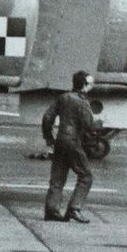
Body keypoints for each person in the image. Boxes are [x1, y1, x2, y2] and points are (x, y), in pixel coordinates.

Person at [42, 70, 97, 223]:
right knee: (86, 176)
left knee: (57, 178)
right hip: (73, 142)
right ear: (84, 85)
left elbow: (47, 117)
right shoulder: (82, 102)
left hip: (60, 141)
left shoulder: (63, 97)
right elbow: (88, 124)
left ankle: (51, 211)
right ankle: (74, 208)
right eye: (90, 84)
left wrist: (49, 137)